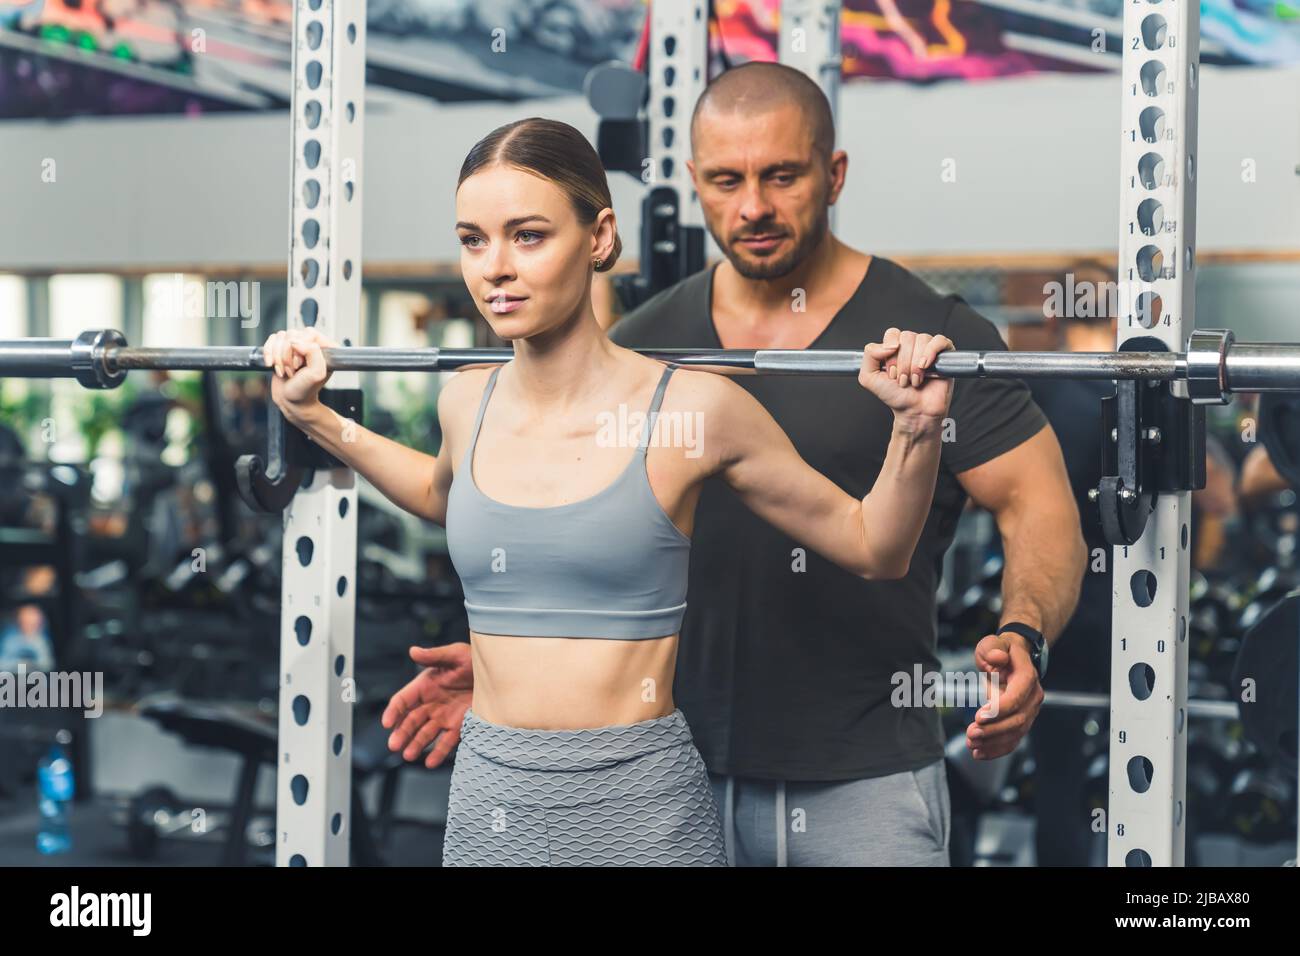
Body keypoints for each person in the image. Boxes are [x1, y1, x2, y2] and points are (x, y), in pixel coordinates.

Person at [385, 64, 1086, 866]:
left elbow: (1039, 505)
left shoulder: (929, 334)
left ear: (835, 174)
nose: (752, 206)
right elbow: (595, 531)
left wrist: (1023, 632)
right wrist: (533, 671)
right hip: (667, 773)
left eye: (780, 176)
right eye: (725, 180)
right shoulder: (644, 343)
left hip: (861, 776)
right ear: (693, 184)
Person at [264, 117, 956, 866]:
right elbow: (442, 494)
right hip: (490, 798)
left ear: (598, 237)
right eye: (474, 239)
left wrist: (915, 428)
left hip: (640, 810)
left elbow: (873, 546)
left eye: (528, 235)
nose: (495, 267)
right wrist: (315, 418)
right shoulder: (467, 401)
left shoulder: (694, 409)